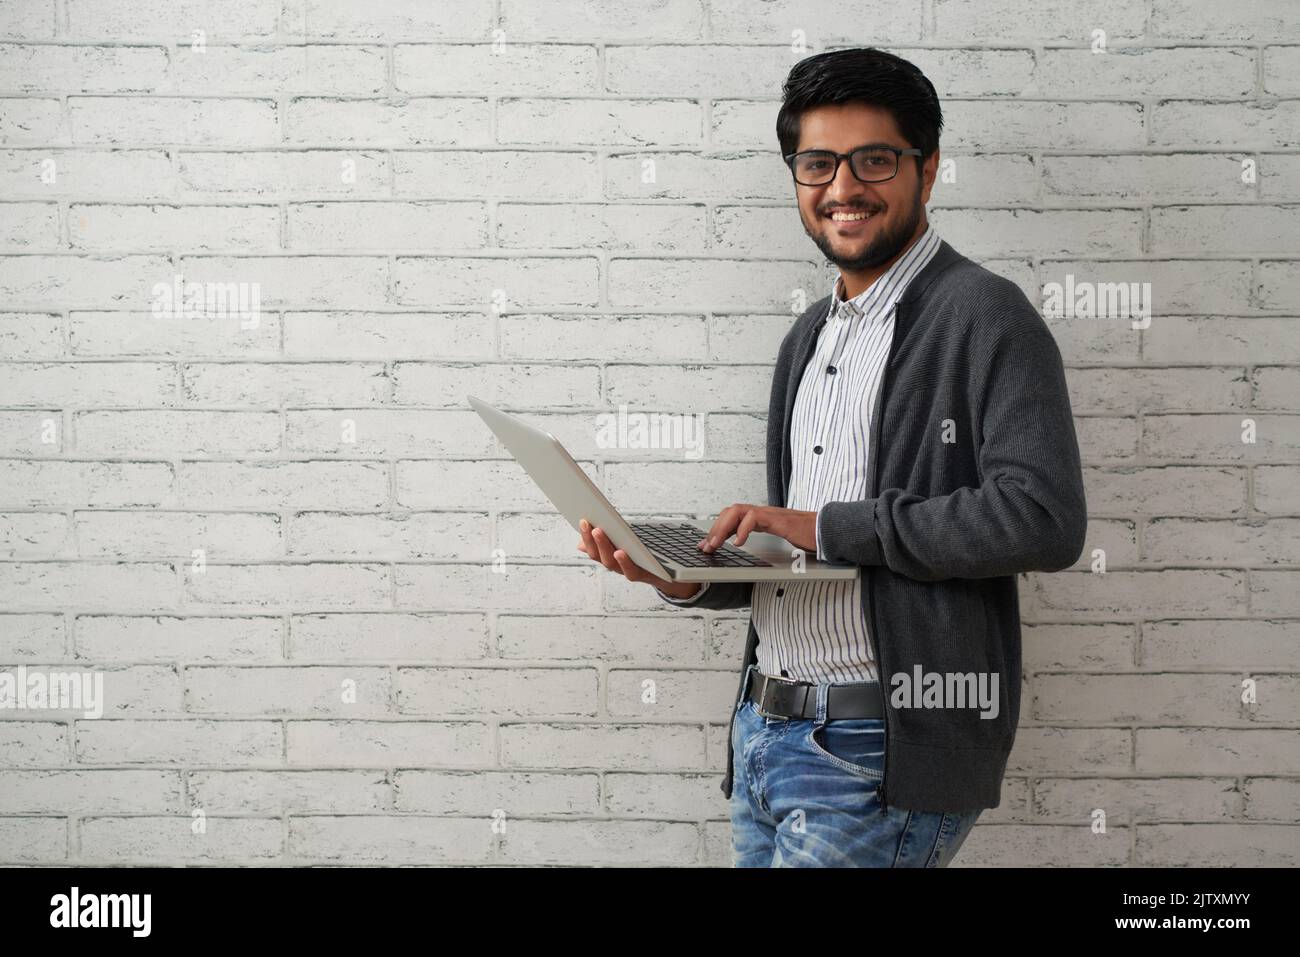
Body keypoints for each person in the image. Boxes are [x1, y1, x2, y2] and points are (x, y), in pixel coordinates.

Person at [577, 48, 1087, 867]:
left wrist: (823, 523)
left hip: (875, 743)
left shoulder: (986, 314)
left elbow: (1043, 518)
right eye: (817, 163)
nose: (843, 187)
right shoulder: (808, 339)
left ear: (928, 168)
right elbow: (815, 557)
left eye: (874, 159)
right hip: (763, 732)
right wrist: (691, 578)